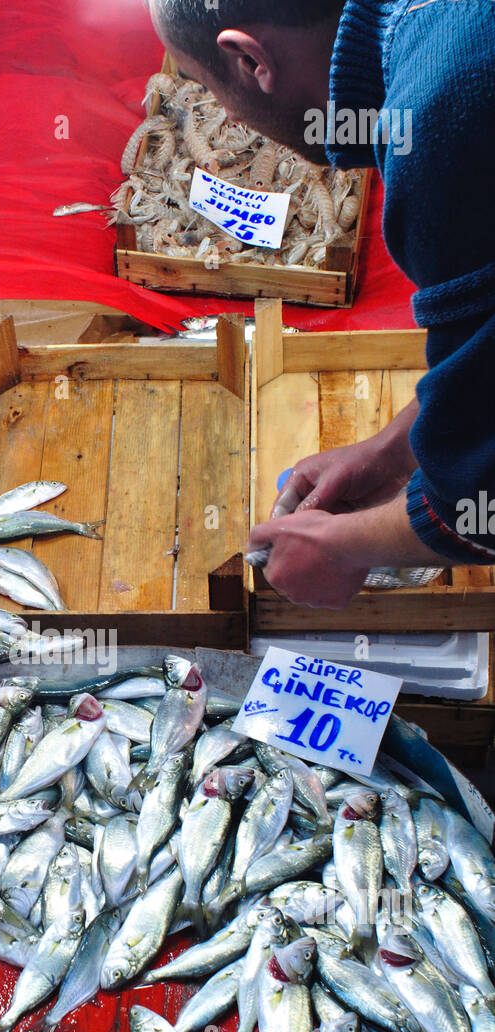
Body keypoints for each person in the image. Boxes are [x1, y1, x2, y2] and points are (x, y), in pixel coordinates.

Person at [148, 0, 495, 608]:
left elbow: (482, 499)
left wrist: (349, 547)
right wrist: (392, 453)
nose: (226, 115)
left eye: (206, 86)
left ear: (249, 58)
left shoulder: (440, 125)